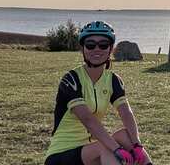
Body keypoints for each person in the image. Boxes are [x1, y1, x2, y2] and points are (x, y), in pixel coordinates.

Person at [44, 21, 153, 165]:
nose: (97, 49)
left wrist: (137, 145)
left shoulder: (113, 80)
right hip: (61, 154)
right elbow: (88, 119)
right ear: (82, 48)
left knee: (126, 135)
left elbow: (126, 113)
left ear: (110, 49)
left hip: (91, 150)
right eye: (90, 45)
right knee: (105, 147)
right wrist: (116, 149)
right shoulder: (71, 79)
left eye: (103, 45)